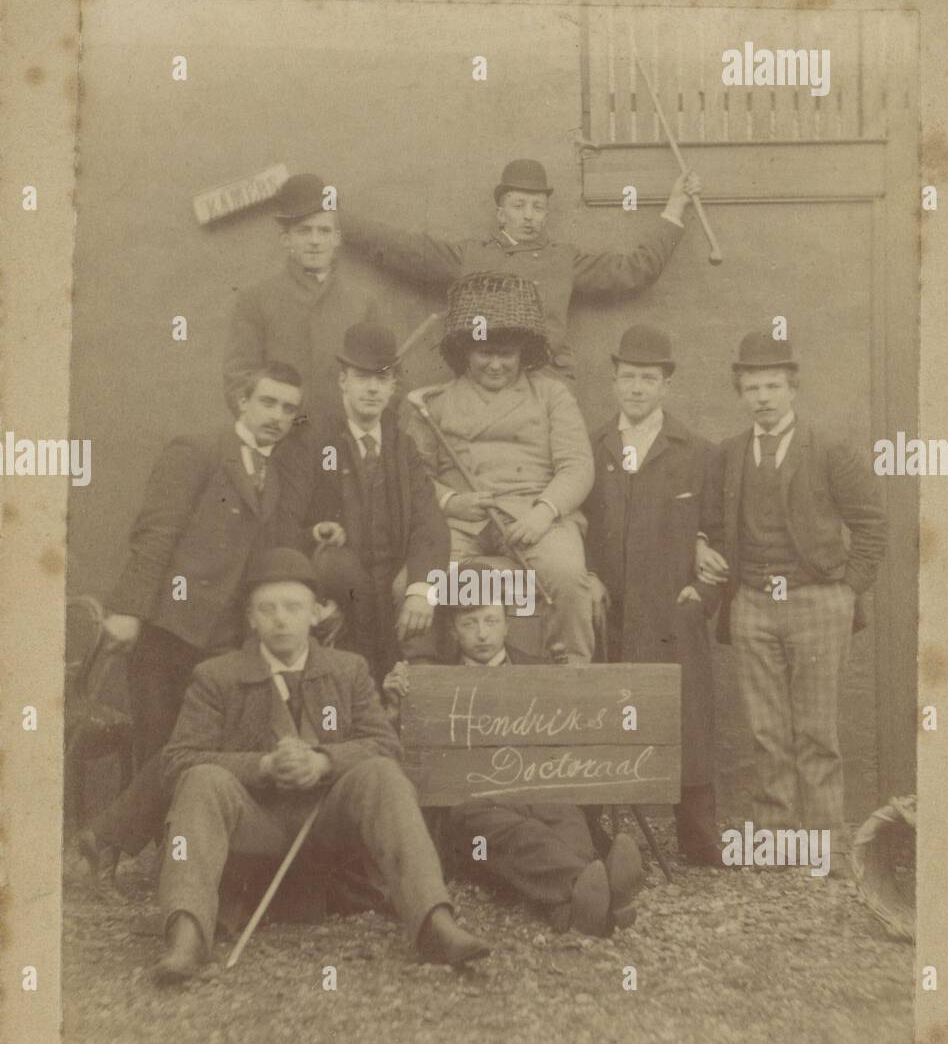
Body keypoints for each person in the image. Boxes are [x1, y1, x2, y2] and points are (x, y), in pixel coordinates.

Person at [153, 548, 490, 983]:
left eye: (293, 607)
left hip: (328, 827)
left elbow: (385, 745)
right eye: (266, 609)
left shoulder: (348, 670)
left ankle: (434, 924)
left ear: (315, 614)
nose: (280, 620)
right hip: (255, 829)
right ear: (251, 619)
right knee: (201, 779)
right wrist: (264, 765)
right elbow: (177, 763)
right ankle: (187, 936)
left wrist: (324, 761)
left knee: (382, 773)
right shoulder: (216, 676)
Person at [76, 363, 309, 875]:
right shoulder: (198, 451)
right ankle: (135, 855)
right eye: (267, 402)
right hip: (168, 627)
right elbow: (155, 535)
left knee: (199, 749)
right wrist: (129, 612)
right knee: (162, 742)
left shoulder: (275, 476)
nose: (277, 416)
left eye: (289, 408)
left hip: (224, 639)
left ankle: (115, 842)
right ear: (242, 401)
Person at [706, 331, 887, 869]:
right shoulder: (731, 453)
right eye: (752, 387)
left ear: (792, 389)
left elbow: (872, 526)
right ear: (741, 392)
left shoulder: (829, 448)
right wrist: (704, 549)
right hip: (753, 603)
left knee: (816, 728)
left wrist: (845, 591)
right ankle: (776, 837)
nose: (762, 397)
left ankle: (827, 843)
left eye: (772, 386)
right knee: (766, 729)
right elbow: (715, 525)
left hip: (816, 600)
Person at [382, 586, 644, 935]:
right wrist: (395, 709)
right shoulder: (431, 681)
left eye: (491, 620)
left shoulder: (539, 671)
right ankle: (599, 890)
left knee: (564, 812)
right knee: (512, 828)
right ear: (452, 630)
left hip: (536, 790)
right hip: (471, 811)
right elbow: (402, 759)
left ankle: (580, 911)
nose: (482, 633)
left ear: (508, 624)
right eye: (469, 623)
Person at [340, 158, 702, 378]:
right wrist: (334, 217)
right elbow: (404, 250)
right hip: (485, 382)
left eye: (538, 207)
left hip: (546, 385)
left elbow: (634, 270)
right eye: (519, 206)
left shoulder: (563, 259)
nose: (529, 216)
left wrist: (676, 205)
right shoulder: (472, 256)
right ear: (501, 213)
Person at [583, 324, 725, 866]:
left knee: (686, 716)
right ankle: (601, 839)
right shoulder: (594, 447)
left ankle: (698, 839)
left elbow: (719, 531)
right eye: (627, 378)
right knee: (604, 713)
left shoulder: (697, 453)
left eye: (648, 378)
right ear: (614, 382)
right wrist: (591, 575)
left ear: (666, 384)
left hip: (672, 609)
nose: (636, 388)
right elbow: (581, 521)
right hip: (612, 609)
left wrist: (702, 597)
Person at [404, 271, 596, 663]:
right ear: (465, 353)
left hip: (534, 518)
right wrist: (452, 501)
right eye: (484, 353)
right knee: (415, 586)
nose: (495, 364)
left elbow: (577, 465)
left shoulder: (552, 396)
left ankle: (574, 674)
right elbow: (415, 476)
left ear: (522, 354)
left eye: (505, 354)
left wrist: (543, 513)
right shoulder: (435, 402)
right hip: (459, 524)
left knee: (566, 576)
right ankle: (422, 678)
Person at [276, 320, 450, 685]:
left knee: (417, 625)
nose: (372, 388)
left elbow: (430, 524)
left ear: (393, 386)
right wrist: (314, 556)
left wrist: (421, 590)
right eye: (362, 377)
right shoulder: (310, 438)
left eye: (383, 378)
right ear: (343, 380)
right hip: (337, 592)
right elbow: (283, 523)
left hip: (390, 591)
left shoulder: (402, 446)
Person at [223, 173, 377, 426]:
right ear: (287, 240)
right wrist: (266, 430)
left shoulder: (363, 303)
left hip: (345, 447)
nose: (315, 241)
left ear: (336, 239)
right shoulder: (256, 300)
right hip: (281, 447)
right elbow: (239, 379)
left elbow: (387, 378)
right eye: (304, 231)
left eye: (324, 230)